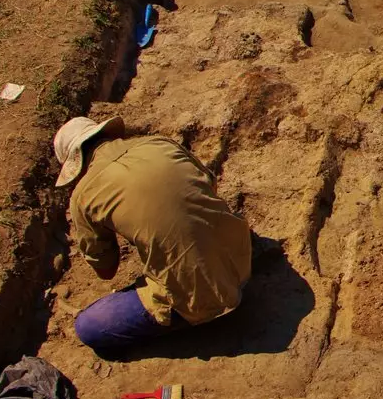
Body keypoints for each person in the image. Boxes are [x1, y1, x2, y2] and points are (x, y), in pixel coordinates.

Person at [53, 116, 252, 353]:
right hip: (242, 257)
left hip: (200, 296)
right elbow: (208, 184)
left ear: (75, 164)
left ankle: (195, 316)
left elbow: (106, 270)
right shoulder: (159, 143)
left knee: (88, 326)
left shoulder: (83, 196)